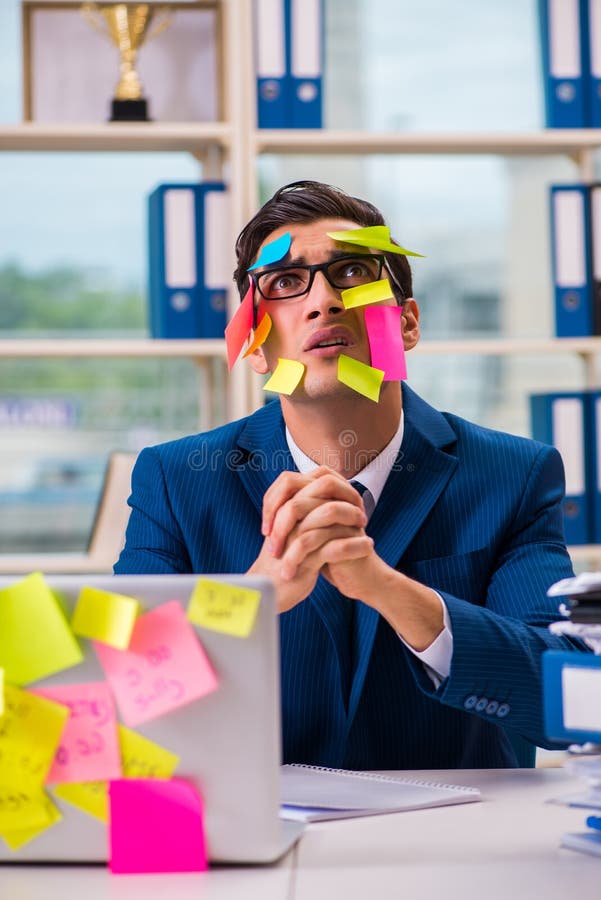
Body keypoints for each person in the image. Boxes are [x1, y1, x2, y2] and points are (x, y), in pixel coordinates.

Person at [115, 179, 584, 769]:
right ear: (257, 348)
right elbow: (119, 695)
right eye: (285, 283)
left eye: (353, 273)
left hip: (454, 834)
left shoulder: (512, 474)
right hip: (260, 832)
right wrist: (251, 598)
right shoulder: (178, 480)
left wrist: (385, 587)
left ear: (407, 323)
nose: (323, 302)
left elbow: (568, 699)